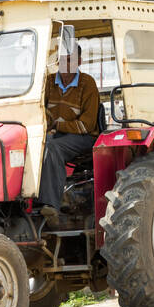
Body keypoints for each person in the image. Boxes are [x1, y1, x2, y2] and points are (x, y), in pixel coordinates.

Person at [37, 42, 99, 222]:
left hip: (83, 138)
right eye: (62, 59)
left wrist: (56, 126)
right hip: (55, 134)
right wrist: (48, 126)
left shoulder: (87, 83)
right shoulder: (48, 82)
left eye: (70, 60)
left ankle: (50, 205)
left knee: (52, 147)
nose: (65, 64)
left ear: (79, 61)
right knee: (37, 145)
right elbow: (40, 112)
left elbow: (86, 125)